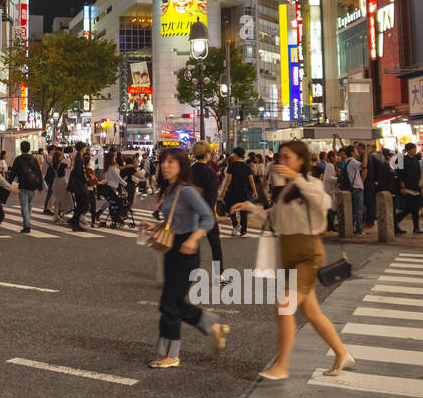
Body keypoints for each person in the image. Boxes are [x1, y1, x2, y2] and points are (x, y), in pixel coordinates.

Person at [229, 140, 352, 381]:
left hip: (308, 252)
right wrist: (251, 208)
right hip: (288, 253)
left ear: (301, 160)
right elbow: (275, 219)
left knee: (284, 307)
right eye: (280, 157)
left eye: (287, 157)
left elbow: (325, 203)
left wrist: (297, 178)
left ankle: (282, 365)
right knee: (312, 312)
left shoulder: (310, 183)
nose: (281, 162)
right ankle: (341, 353)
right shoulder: (286, 189)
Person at [148, 150, 229, 369]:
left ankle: (171, 354)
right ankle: (212, 325)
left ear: (182, 165)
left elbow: (208, 217)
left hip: (187, 251)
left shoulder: (187, 191)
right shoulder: (171, 190)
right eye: (163, 161)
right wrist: (157, 227)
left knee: (170, 303)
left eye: (171, 162)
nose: (165, 165)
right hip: (172, 248)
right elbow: (176, 218)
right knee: (171, 301)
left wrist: (194, 238)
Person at [188, 141, 226, 283]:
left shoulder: (190, 170)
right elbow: (211, 198)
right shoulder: (210, 173)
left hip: (190, 212)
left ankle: (190, 274)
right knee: (215, 244)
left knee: (191, 243)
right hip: (206, 212)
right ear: (207, 154)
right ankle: (219, 275)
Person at [9, 139, 44, 233]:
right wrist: (40, 186)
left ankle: (27, 225)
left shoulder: (18, 159)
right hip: (33, 185)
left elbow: (12, 173)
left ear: (21, 149)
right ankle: (27, 223)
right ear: (29, 149)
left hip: (23, 185)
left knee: (24, 206)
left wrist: (8, 184)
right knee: (29, 205)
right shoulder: (33, 159)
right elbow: (39, 173)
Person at [49, 146, 74, 222]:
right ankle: (61, 214)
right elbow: (70, 167)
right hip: (61, 182)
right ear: (59, 157)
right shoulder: (62, 164)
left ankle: (56, 216)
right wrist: (71, 159)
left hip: (55, 182)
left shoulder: (53, 164)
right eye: (62, 156)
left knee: (58, 200)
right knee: (68, 198)